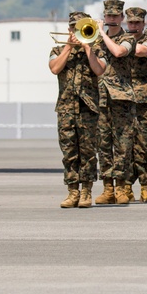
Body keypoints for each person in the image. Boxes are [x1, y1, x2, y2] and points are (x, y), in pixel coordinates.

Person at [49, 11, 102, 208]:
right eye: (73, 27)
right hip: (66, 108)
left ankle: (87, 191)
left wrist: (88, 48)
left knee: (88, 151)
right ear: (68, 29)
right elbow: (54, 68)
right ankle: (72, 191)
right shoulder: (58, 49)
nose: (76, 30)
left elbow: (99, 70)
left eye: (80, 27)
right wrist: (69, 48)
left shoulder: (96, 49)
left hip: (88, 108)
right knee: (69, 151)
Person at [93, 0, 137, 205]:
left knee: (123, 144)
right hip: (101, 99)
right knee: (103, 145)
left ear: (121, 18)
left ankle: (122, 186)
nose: (111, 19)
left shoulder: (128, 38)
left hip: (122, 99)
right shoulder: (95, 41)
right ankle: (107, 187)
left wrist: (102, 34)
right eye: (108, 16)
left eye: (115, 16)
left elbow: (119, 52)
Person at [125, 6, 147, 203]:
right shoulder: (121, 40)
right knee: (125, 146)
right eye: (131, 22)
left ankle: (145, 186)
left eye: (137, 23)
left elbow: (139, 51)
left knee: (145, 145)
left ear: (143, 24)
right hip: (125, 99)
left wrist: (121, 45)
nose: (134, 26)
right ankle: (127, 186)